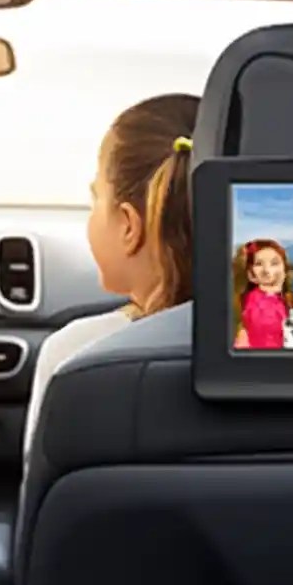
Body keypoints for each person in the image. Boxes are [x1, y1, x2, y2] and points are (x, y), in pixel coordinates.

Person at [22, 93, 198, 462]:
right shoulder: (281, 349)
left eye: (95, 199)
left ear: (129, 226)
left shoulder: (75, 356)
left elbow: (40, 507)